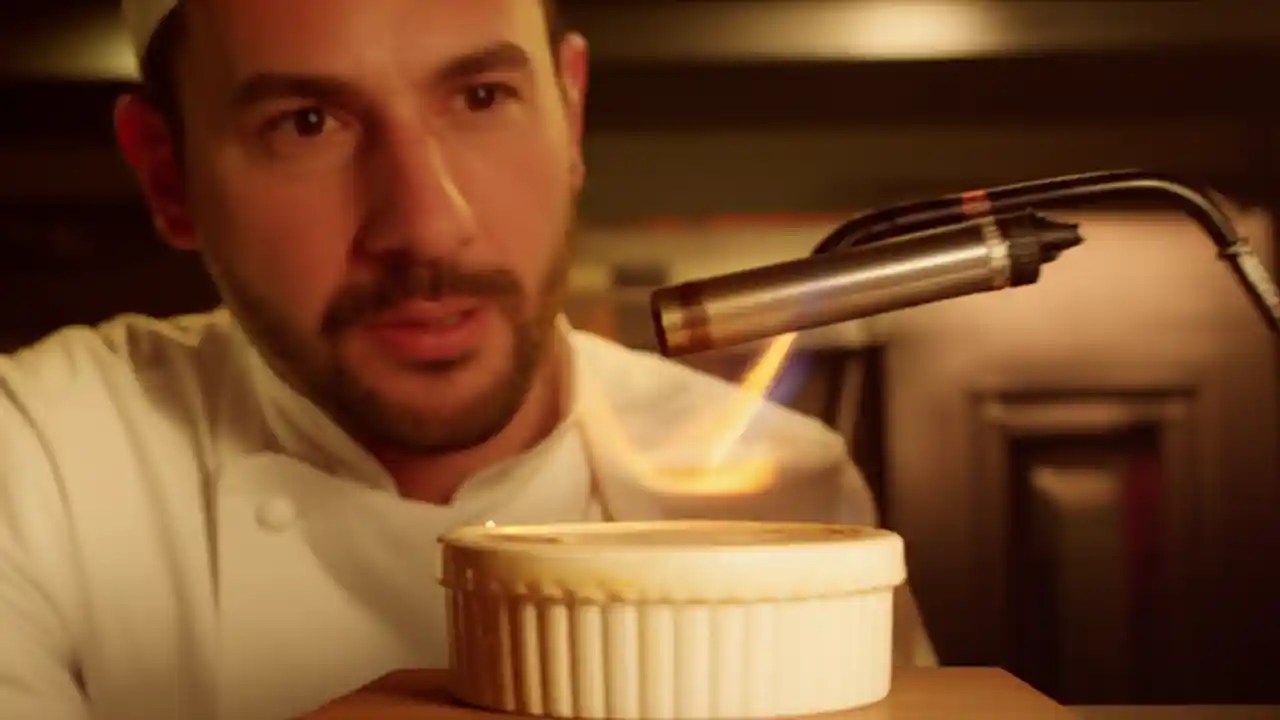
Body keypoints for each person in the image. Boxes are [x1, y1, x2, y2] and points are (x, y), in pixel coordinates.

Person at [0, 1, 936, 718]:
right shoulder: (39, 461)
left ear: (568, 117)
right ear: (169, 175)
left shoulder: (793, 505)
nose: (427, 224)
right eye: (307, 123)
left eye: (482, 97)